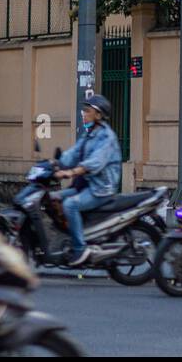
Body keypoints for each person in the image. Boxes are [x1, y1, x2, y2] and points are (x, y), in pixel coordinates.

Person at [53, 94, 122, 268]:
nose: (83, 113)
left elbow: (95, 163)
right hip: (85, 185)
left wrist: (72, 172)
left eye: (88, 111)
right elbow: (73, 154)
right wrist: (54, 164)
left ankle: (80, 248)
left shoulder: (107, 137)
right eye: (84, 110)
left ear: (98, 116)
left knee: (70, 205)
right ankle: (72, 236)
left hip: (101, 188)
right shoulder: (89, 134)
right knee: (52, 198)